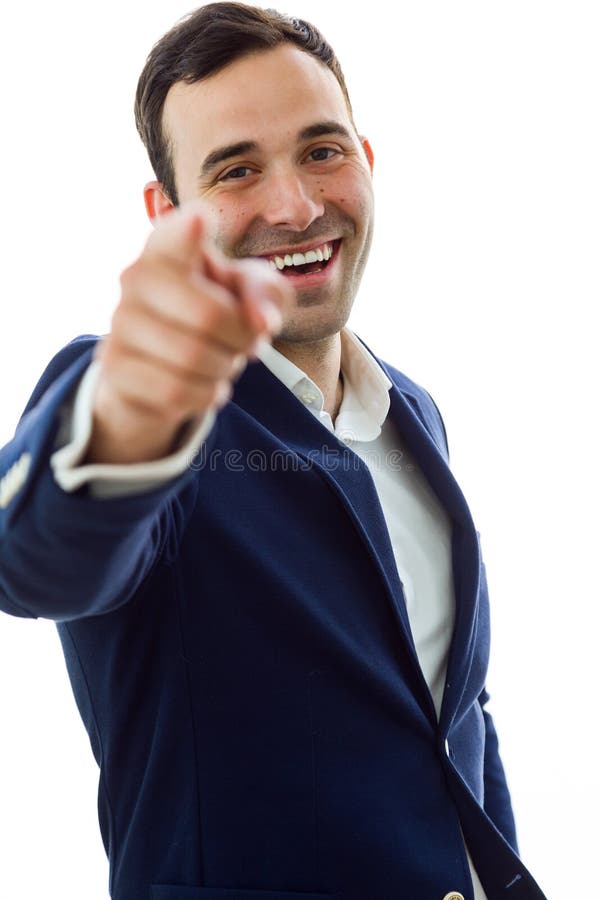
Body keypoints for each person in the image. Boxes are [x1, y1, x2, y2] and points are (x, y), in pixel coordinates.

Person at [0, 4, 547, 899]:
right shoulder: (148, 408)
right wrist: (123, 427)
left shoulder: (412, 413)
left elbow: (453, 716)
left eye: (323, 151)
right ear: (168, 214)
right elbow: (37, 561)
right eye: (237, 169)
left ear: (365, 162)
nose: (295, 206)